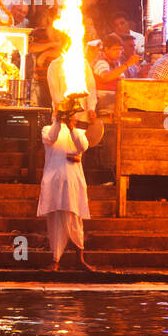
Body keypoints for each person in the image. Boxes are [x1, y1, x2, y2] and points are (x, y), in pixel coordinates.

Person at [38, 106, 93, 272]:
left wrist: (72, 128)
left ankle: (80, 259)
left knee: (76, 220)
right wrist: (58, 120)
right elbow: (51, 139)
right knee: (55, 221)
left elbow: (82, 147)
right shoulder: (48, 129)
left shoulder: (79, 133)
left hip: (73, 183)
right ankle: (55, 260)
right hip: (55, 181)